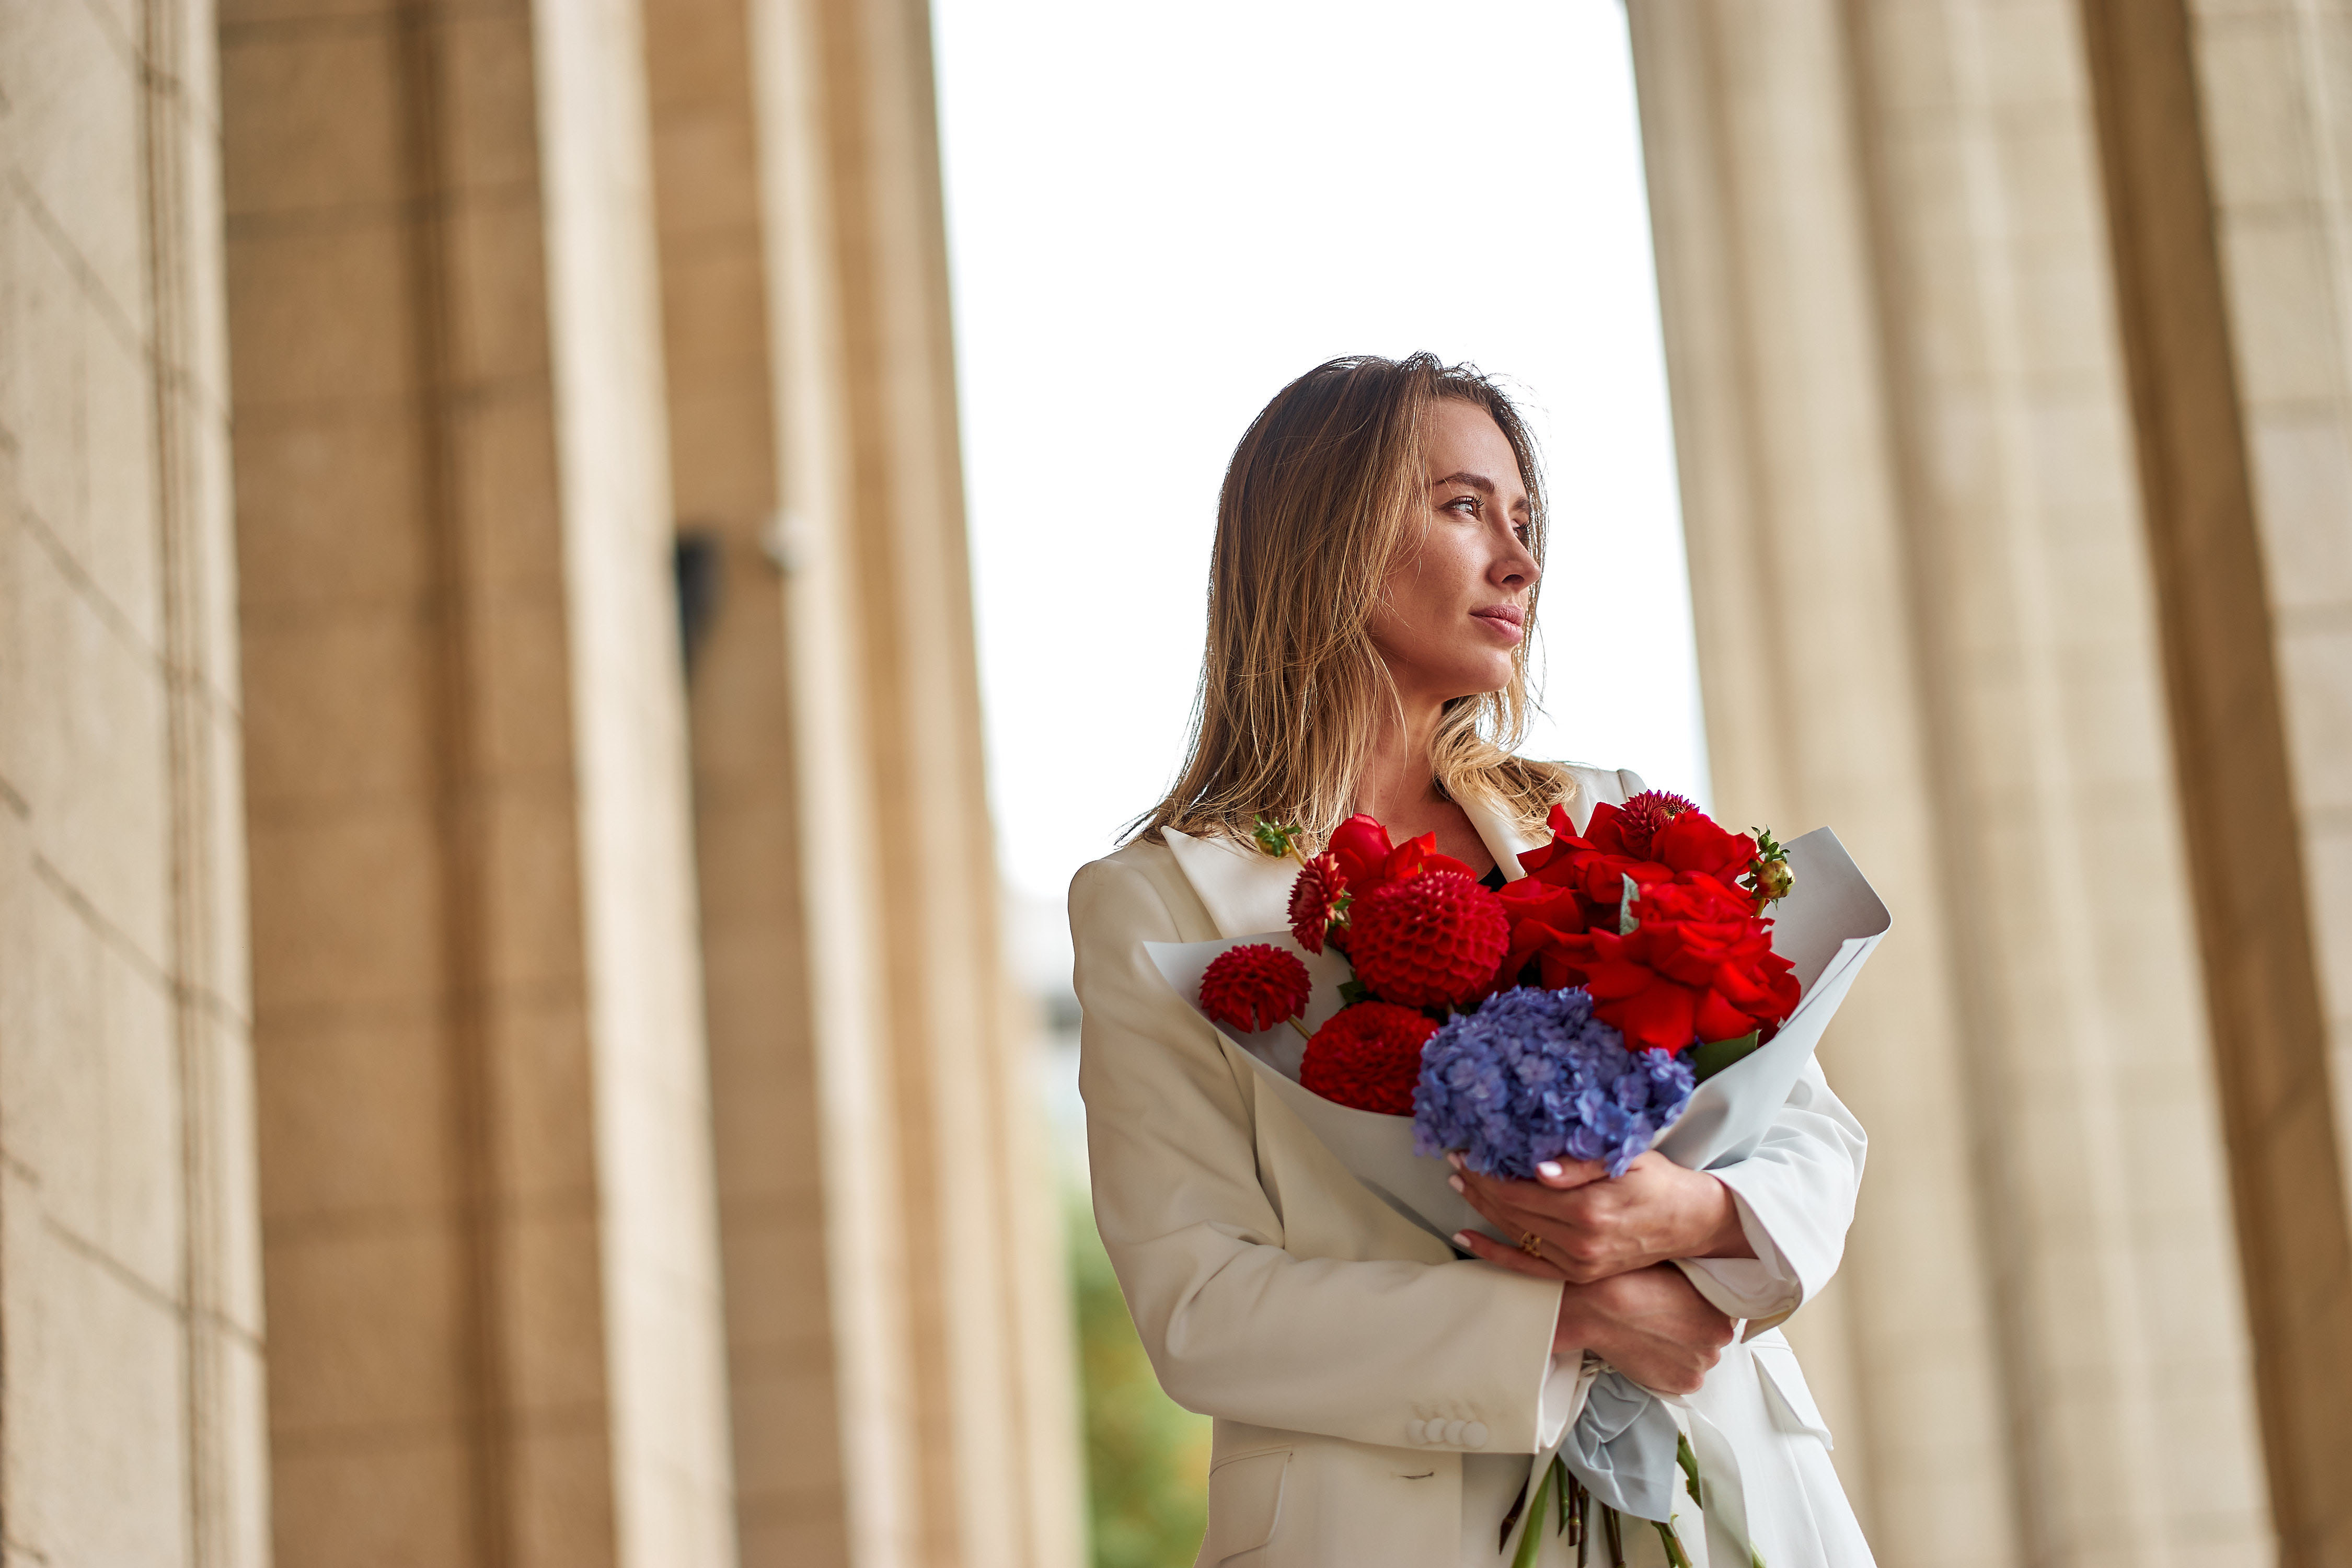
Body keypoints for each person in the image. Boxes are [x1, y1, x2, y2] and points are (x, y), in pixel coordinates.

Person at [1068, 354, 1872, 1566]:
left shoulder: (1608, 822)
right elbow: (1202, 1307)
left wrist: (1696, 1213)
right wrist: (1567, 1316)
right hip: (1384, 1526)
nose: (1519, 560)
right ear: (1324, 536)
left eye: (1524, 520)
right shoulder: (1155, 905)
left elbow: (1813, 1132)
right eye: (1462, 506)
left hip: (1723, 1494)